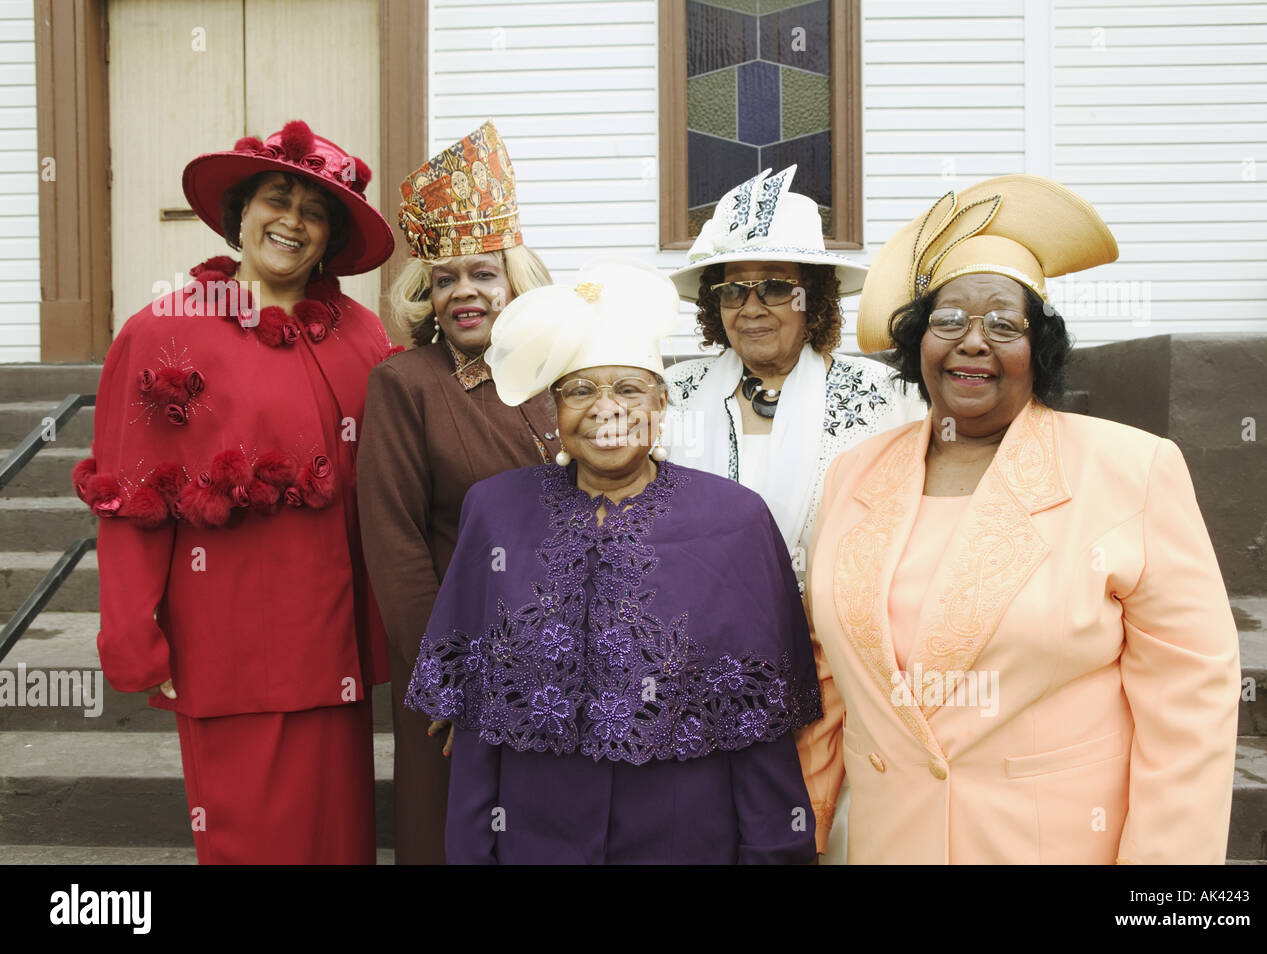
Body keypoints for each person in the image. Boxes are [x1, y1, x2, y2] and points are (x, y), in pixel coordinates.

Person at [799, 174, 1241, 863]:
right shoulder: (853, 475)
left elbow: (1191, 707)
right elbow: (825, 672)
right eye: (948, 321)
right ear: (918, 343)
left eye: (1004, 323)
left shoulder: (1132, 469)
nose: (973, 341)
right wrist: (807, 826)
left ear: (1042, 350)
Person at [404, 262, 821, 864]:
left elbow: (759, 726)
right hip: (533, 834)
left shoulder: (735, 521)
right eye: (580, 390)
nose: (607, 410)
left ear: (661, 401)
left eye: (628, 389)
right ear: (554, 407)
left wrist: (775, 852)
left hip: (686, 836)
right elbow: (476, 719)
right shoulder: (495, 510)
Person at [73, 120, 397, 863]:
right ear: (239, 214)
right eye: (275, 200)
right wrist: (130, 631)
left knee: (338, 842)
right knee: (252, 843)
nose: (292, 221)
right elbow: (129, 498)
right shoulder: (161, 332)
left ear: (331, 236)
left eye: (314, 211)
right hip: (229, 646)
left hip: (336, 646)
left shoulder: (362, 335)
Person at [663, 165, 924, 861]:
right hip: (698, 667)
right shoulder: (672, 392)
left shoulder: (887, 394)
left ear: (815, 299)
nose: (753, 306)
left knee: (831, 836)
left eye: (776, 286)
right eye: (732, 289)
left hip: (843, 668)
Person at [357, 120, 559, 865]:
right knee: (456, 836)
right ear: (426, 294)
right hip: (459, 665)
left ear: (515, 280)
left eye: (482, 273)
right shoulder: (404, 383)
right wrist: (441, 679)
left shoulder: (558, 377)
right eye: (445, 279)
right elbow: (396, 545)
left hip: (567, 658)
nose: (464, 293)